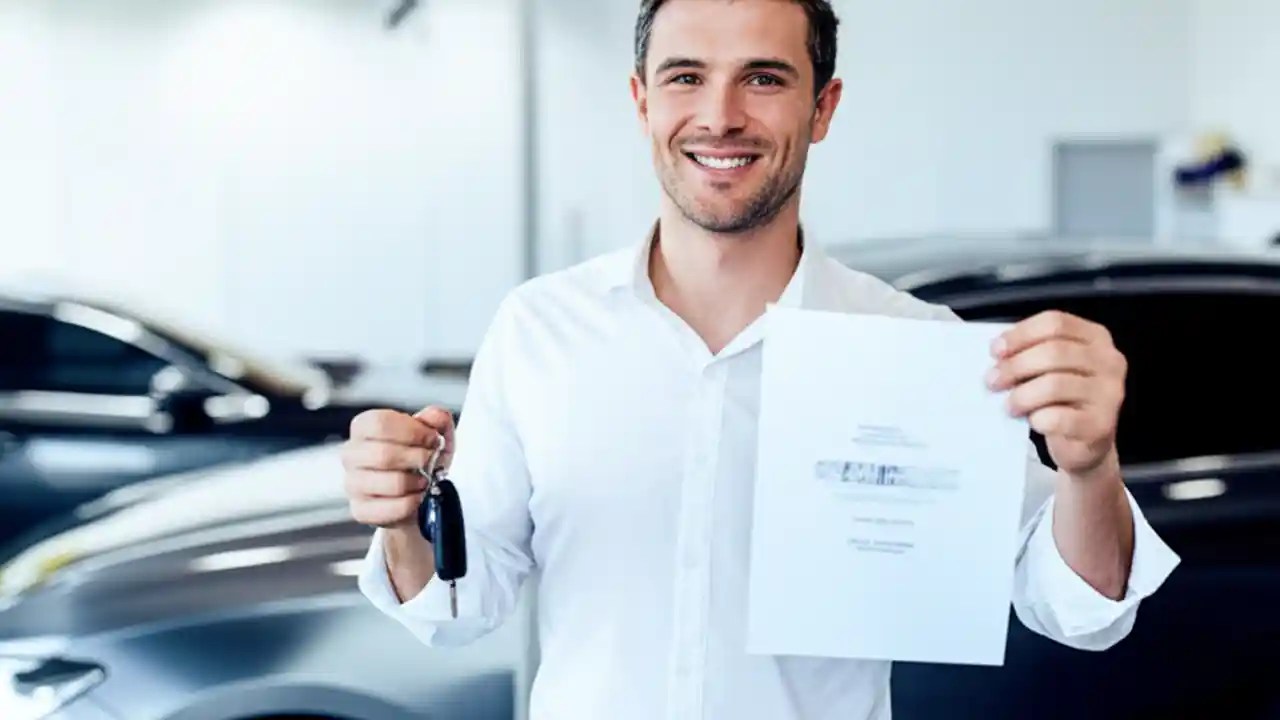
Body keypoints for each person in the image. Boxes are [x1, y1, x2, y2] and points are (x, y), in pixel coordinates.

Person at [341, 1, 1180, 717]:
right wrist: (403, 521)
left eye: (764, 78)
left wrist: (1089, 467)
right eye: (685, 76)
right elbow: (458, 604)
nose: (720, 115)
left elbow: (1082, 610)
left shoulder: (916, 348)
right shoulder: (541, 330)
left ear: (823, 107)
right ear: (642, 100)